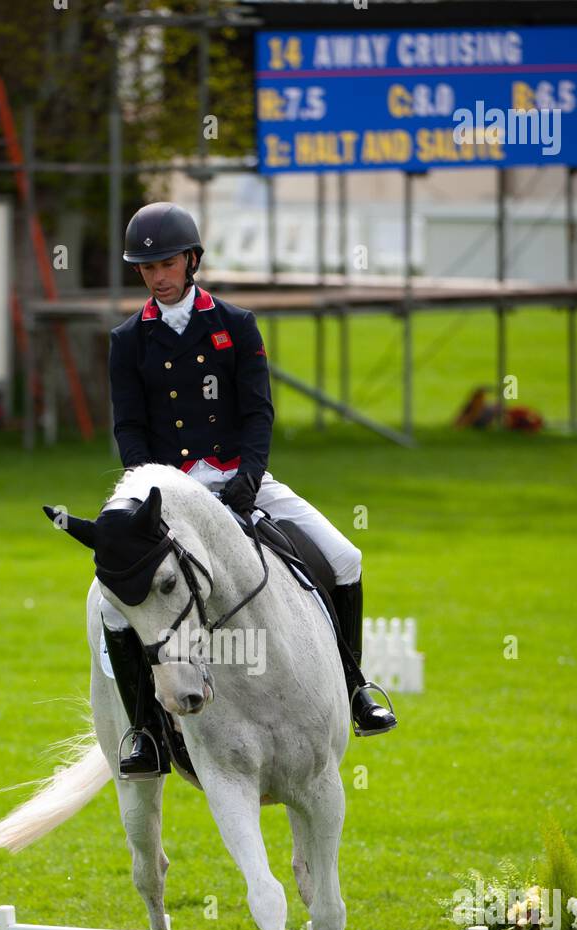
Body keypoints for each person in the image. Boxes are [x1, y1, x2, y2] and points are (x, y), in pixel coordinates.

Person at [104, 201, 396, 779]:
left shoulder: (235, 325)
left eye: (166, 263)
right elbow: (129, 427)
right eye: (146, 267)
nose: (158, 276)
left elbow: (259, 412)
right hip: (169, 494)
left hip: (243, 478)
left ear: (190, 260)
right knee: (113, 608)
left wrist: (248, 481)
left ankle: (356, 687)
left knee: (344, 555)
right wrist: (149, 493)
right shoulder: (128, 340)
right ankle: (143, 732)